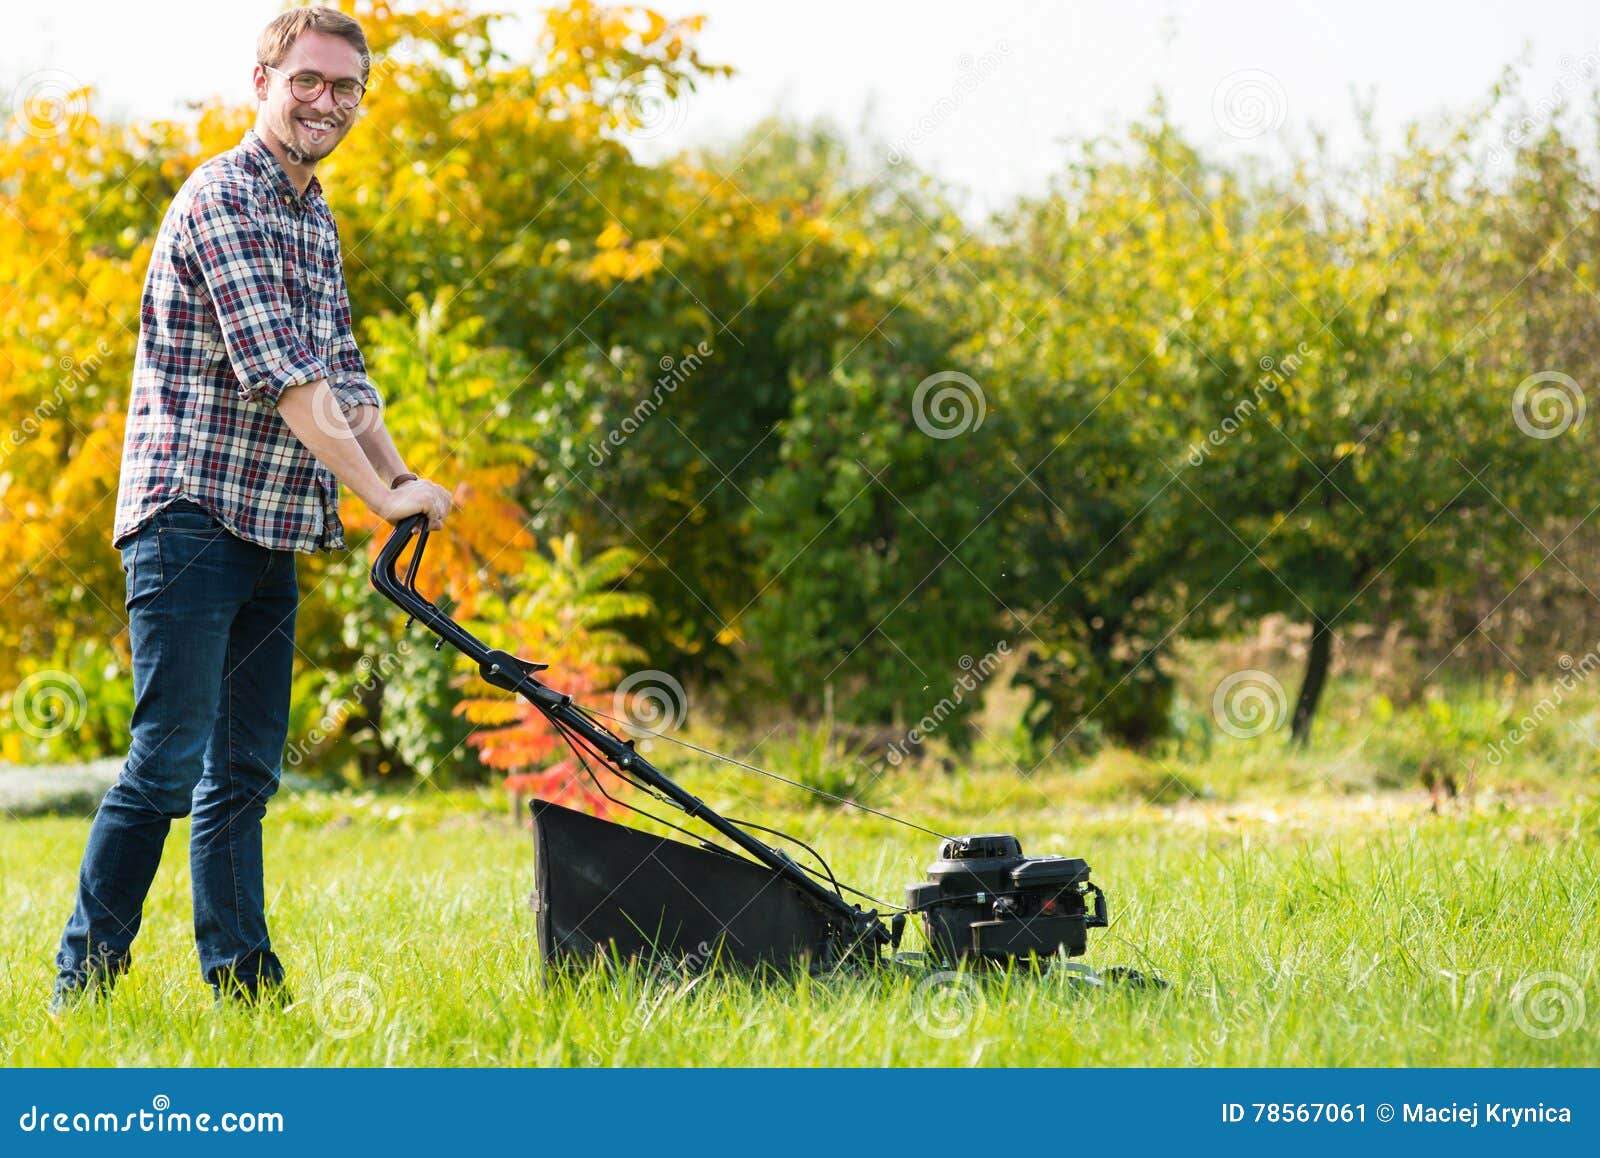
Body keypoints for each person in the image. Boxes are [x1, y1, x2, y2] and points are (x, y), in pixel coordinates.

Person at [52, 5, 451, 1009]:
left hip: (269, 523)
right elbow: (288, 383)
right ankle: (82, 979)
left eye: (345, 87)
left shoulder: (312, 216)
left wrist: (397, 479)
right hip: (189, 518)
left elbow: (344, 372)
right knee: (169, 759)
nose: (327, 101)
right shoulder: (223, 197)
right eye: (308, 81)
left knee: (243, 776)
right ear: (261, 84)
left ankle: (243, 982)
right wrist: (374, 496)